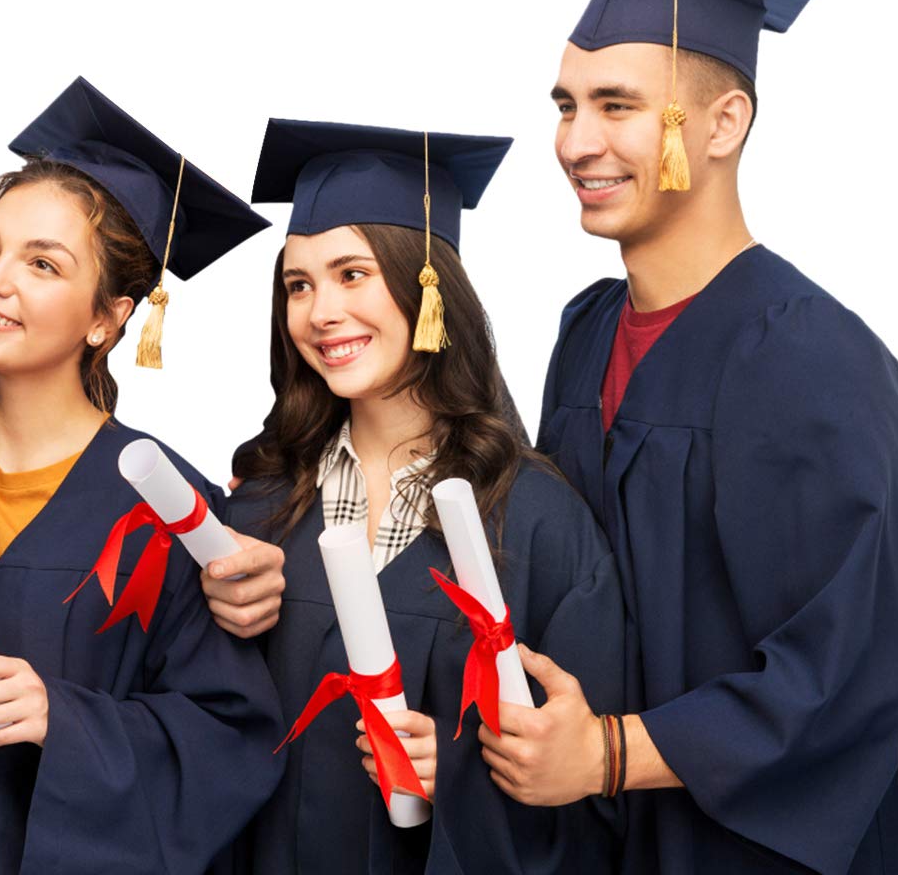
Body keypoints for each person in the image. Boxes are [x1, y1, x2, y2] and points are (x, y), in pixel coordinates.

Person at [499, 0, 898, 873]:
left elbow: (844, 674)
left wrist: (607, 753)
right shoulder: (587, 332)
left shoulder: (809, 357)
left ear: (722, 125)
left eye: (617, 106)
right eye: (566, 106)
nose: (576, 142)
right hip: (619, 838)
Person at [0, 76, 284, 874]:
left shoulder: (165, 506)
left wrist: (64, 722)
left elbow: (229, 740)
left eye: (43, 263)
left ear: (109, 319)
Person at [227, 118, 625, 874]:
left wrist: (469, 785)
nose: (321, 313)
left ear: (426, 285)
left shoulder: (539, 521)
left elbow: (597, 800)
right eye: (298, 285)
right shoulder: (258, 508)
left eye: (352, 275)